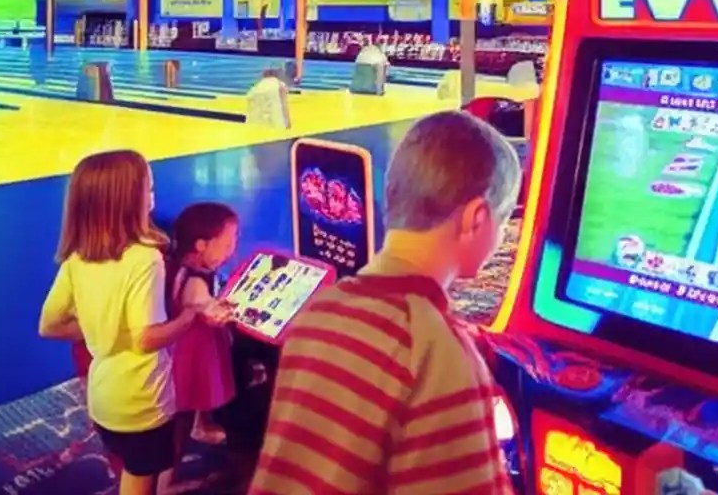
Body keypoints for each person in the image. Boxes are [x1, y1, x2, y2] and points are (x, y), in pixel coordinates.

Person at [248, 111, 522, 494]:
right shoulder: (436, 352)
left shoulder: (320, 312)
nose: (504, 234)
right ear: (476, 219)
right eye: (504, 219)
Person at [38, 150, 198, 495]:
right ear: (127, 200)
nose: (153, 196)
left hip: (103, 397)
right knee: (140, 480)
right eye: (148, 189)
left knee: (133, 469)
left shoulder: (78, 257)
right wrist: (190, 316)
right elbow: (146, 338)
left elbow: (49, 325)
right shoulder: (145, 259)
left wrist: (101, 327)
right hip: (141, 400)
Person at [168, 203, 239, 452]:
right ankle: (187, 437)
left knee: (196, 392)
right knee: (194, 392)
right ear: (201, 245)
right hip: (195, 349)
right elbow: (207, 311)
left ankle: (199, 425)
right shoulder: (195, 281)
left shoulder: (181, 266)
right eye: (227, 245)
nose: (232, 250)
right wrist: (228, 311)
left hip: (190, 344)